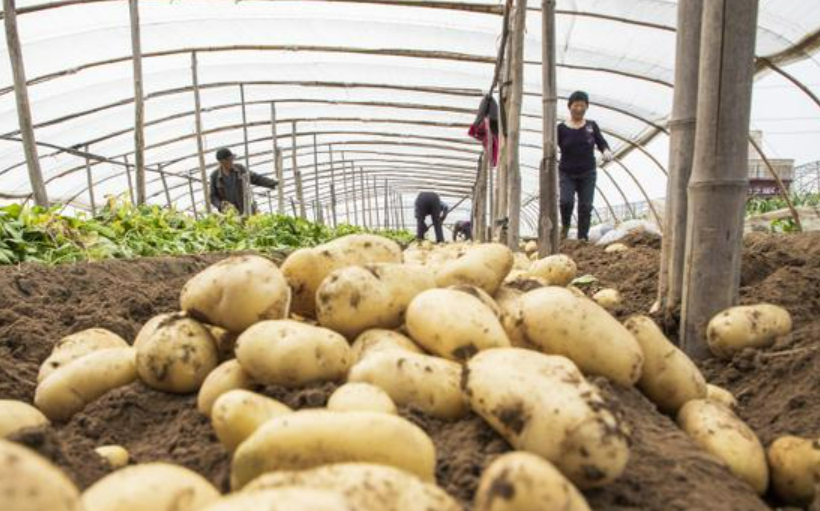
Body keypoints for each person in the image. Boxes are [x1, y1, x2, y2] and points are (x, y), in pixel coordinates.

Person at [557, 91, 613, 241]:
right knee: (566, 202)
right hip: (567, 172)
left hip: (587, 172)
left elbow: (601, 142)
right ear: (570, 107)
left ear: (586, 107)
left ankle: (582, 238)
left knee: (585, 206)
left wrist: (606, 151)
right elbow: (551, 146)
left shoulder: (591, 126)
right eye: (576, 105)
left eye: (582, 105)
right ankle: (566, 226)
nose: (579, 109)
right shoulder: (561, 128)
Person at [209, 148, 278, 215]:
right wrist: (221, 206)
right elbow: (212, 196)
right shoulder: (214, 176)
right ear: (222, 162)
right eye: (230, 160)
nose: (232, 162)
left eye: (232, 159)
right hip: (230, 214)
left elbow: (255, 178)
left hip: (244, 209)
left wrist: (272, 183)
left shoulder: (239, 169)